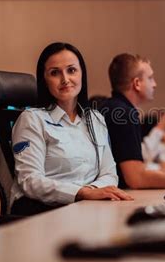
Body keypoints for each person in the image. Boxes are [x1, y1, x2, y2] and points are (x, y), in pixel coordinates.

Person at [10, 42, 132, 216]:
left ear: (82, 74)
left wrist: (91, 191)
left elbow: (109, 173)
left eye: (71, 70)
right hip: (40, 212)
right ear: (44, 80)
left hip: (83, 209)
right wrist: (81, 193)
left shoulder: (95, 119)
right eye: (54, 73)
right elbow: (30, 181)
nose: (65, 79)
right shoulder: (32, 120)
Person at [100, 53, 165, 189]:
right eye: (150, 78)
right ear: (137, 84)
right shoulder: (124, 114)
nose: (155, 84)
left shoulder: (111, 107)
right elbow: (136, 179)